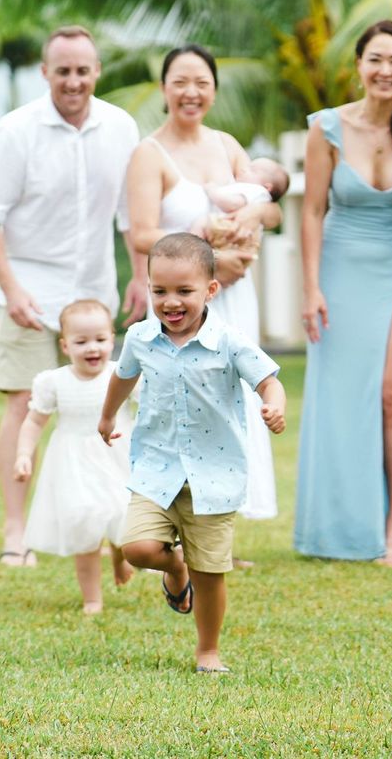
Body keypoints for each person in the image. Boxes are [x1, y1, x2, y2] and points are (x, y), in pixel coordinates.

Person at [0, 24, 145, 566]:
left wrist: (139, 275)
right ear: (46, 73)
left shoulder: (121, 126)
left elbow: (129, 215)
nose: (74, 81)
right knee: (25, 405)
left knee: (102, 408)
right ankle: (16, 531)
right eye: (63, 71)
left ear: (97, 72)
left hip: (93, 298)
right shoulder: (15, 131)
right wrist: (11, 288)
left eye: (83, 70)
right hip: (27, 294)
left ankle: (111, 521)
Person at [101, 233, 287, 675]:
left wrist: (274, 403)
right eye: (159, 290)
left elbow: (267, 379)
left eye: (184, 291)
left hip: (214, 476)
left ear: (210, 290)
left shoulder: (229, 340)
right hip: (156, 470)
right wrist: (108, 416)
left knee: (212, 572)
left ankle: (208, 650)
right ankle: (174, 566)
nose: (170, 302)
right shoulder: (141, 338)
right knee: (139, 548)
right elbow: (123, 377)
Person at [298, 20, 392, 565]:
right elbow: (311, 210)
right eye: (376, 59)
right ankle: (338, 526)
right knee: (339, 401)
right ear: (359, 65)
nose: (386, 71)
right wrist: (310, 287)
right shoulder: (327, 128)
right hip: (338, 270)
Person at [124, 45, 282, 531]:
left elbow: (270, 210)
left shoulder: (226, 144)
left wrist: (255, 212)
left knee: (232, 402)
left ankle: (221, 528)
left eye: (202, 83)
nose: (191, 92)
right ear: (164, 88)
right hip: (179, 305)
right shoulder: (149, 153)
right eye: (180, 82)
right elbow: (142, 232)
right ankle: (170, 521)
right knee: (181, 408)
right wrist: (205, 242)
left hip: (233, 297)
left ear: (213, 89)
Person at [12, 299, 135, 613]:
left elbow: (150, 409)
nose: (92, 348)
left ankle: (120, 556)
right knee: (84, 524)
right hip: (74, 462)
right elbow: (34, 421)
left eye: (100, 339)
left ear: (112, 339)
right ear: (65, 345)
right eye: (81, 342)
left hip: (118, 454)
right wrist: (24, 455)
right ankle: (92, 597)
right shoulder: (54, 382)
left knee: (123, 515)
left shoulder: (121, 375)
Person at [195, 157, 290, 254]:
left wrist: (212, 191)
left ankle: (192, 253)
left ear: (267, 187)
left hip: (225, 227)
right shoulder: (253, 190)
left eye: (252, 170)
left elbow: (232, 204)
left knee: (200, 224)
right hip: (227, 232)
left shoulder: (256, 190)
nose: (243, 169)